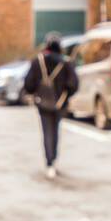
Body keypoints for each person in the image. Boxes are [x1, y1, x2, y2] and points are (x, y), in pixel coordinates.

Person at [22, 32, 79, 179]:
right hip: (60, 103)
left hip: (42, 103)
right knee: (55, 131)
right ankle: (53, 160)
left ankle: (49, 163)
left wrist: (36, 92)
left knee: (47, 131)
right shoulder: (66, 63)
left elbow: (28, 84)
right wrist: (65, 95)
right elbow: (73, 84)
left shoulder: (37, 61)